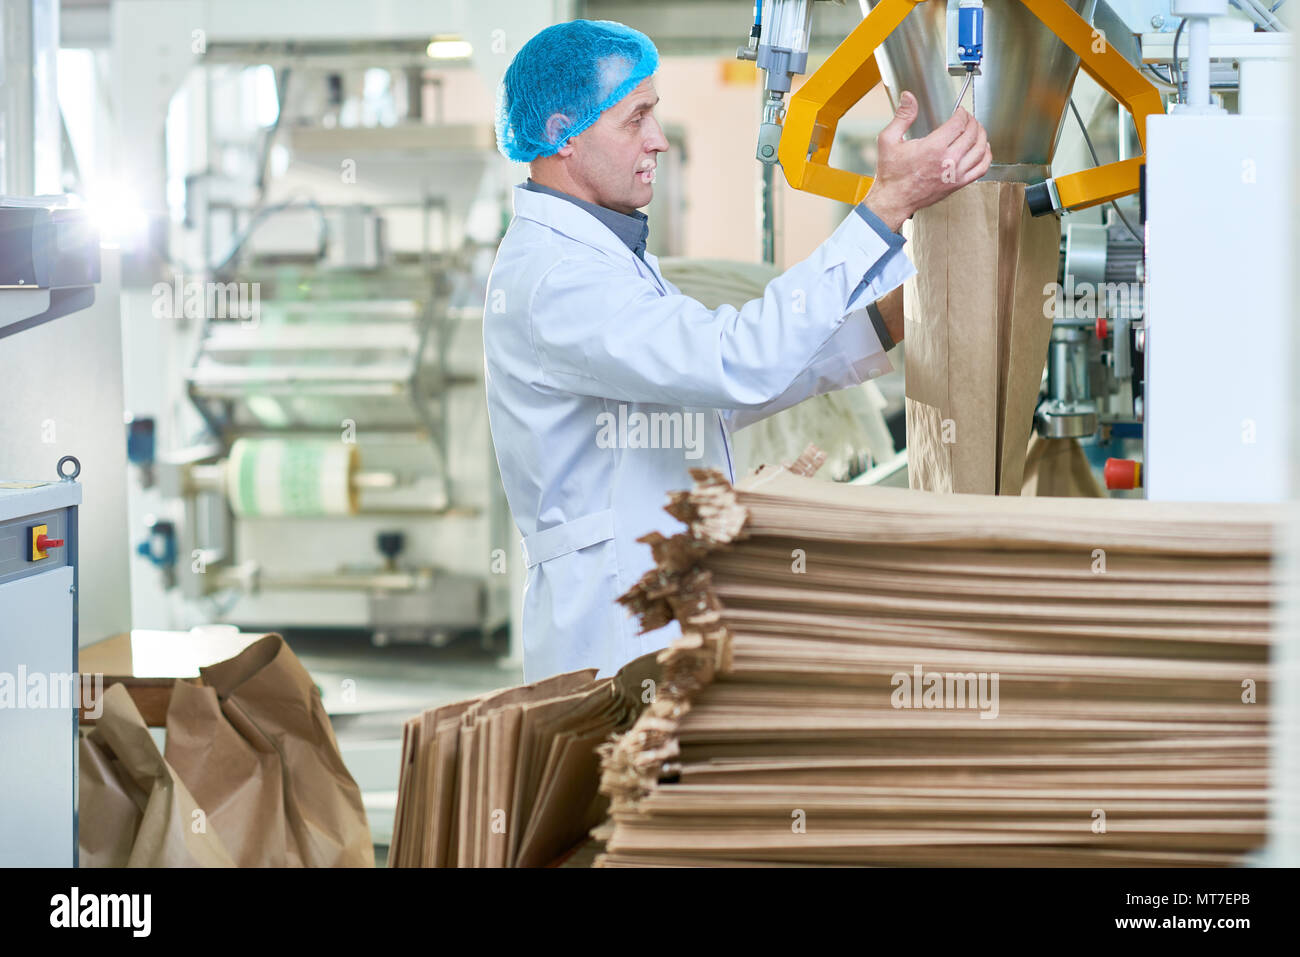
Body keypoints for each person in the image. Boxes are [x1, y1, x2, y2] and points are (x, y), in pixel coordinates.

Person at [484, 19, 991, 681]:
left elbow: (711, 399)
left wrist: (880, 325)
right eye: (636, 118)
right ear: (561, 133)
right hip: (612, 635)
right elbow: (736, 363)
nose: (659, 140)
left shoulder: (604, 258)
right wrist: (885, 207)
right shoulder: (558, 280)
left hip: (656, 610)